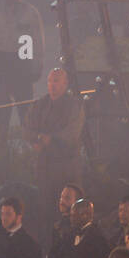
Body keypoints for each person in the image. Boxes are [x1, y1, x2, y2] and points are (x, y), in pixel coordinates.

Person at [23, 67, 85, 237]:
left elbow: (72, 133)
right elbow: (27, 129)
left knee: (69, 210)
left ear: (65, 84)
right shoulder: (40, 105)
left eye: (56, 81)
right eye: (50, 81)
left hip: (67, 167)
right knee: (45, 209)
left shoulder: (74, 105)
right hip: (44, 167)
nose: (52, 85)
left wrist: (51, 139)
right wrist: (38, 139)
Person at [0, 0, 44, 144]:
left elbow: (37, 40)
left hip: (22, 59)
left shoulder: (30, 12)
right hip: (1, 61)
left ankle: (30, 149)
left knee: (25, 110)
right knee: (1, 110)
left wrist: (37, 64)